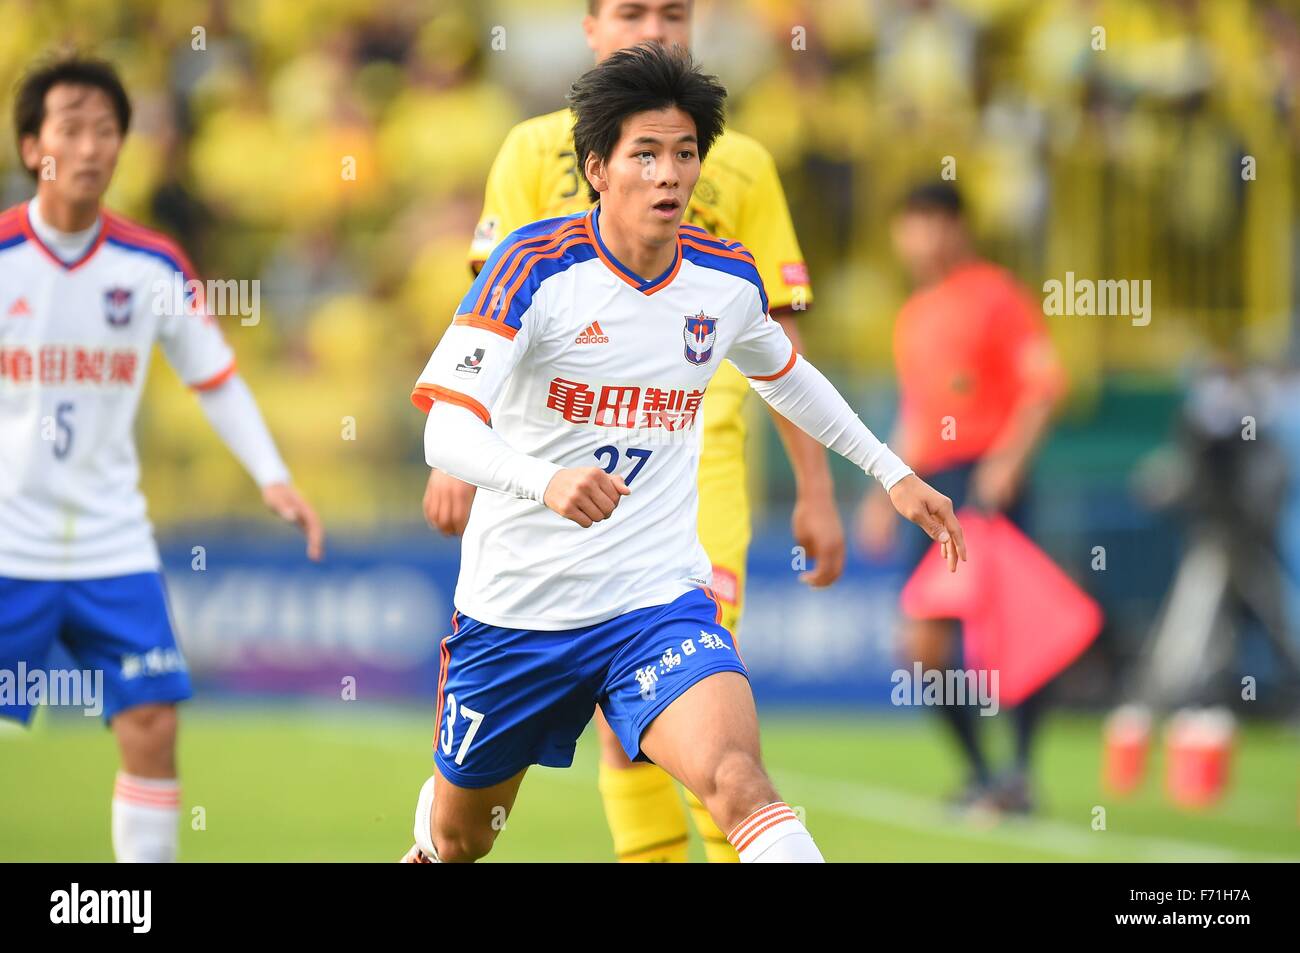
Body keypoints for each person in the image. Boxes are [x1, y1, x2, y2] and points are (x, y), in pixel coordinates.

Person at [403, 43, 964, 864]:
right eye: (645, 154)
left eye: (685, 153)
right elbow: (445, 432)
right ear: (597, 169)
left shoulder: (725, 278)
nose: (669, 174)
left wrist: (892, 471)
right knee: (461, 841)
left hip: (653, 601)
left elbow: (787, 376)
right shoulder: (530, 269)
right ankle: (432, 832)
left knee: (738, 780)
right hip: (519, 611)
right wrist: (544, 480)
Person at [0, 55, 323, 861]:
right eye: (71, 129)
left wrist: (273, 476)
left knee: (152, 721)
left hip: (111, 542)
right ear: (33, 145)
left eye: (106, 130)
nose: (90, 147)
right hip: (7, 540)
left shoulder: (151, 265)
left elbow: (216, 379)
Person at [858, 182, 1064, 812]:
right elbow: (918, 414)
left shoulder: (998, 296)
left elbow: (1044, 385)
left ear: (957, 228)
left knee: (1016, 632)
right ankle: (983, 774)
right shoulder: (914, 315)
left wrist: (1007, 462)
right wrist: (883, 492)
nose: (919, 237)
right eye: (910, 223)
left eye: (930, 222)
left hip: (988, 481)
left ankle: (1020, 773)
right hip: (932, 483)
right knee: (921, 647)